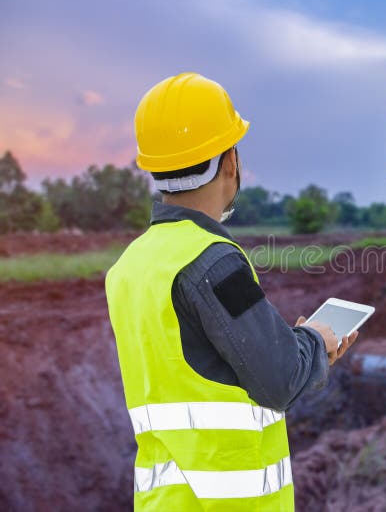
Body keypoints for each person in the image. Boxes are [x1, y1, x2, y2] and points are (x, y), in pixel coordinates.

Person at [105, 72, 356, 511]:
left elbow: (199, 370)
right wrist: (315, 341)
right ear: (230, 162)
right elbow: (279, 380)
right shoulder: (214, 262)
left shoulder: (130, 266)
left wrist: (299, 347)